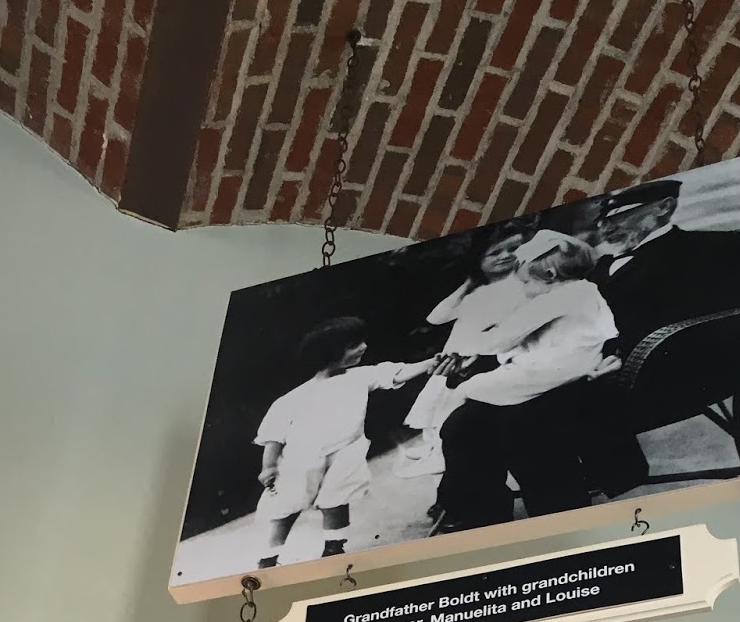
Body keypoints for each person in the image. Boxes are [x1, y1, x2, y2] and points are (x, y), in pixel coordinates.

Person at [432, 233, 617, 529]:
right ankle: (476, 507)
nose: (524, 289)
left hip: (556, 376)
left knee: (468, 394)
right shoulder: (584, 290)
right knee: (470, 420)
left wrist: (463, 348)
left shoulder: (558, 298)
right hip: (570, 369)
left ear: (549, 274)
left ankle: (471, 499)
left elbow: (506, 335)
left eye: (527, 282)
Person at [254, 317, 436, 568]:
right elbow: (273, 436)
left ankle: (334, 547)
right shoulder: (293, 398)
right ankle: (268, 558)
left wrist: (431, 363)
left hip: (346, 450)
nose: (362, 348)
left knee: (337, 497)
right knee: (286, 505)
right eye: (353, 345)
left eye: (361, 342)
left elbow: (396, 372)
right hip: (302, 458)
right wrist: (270, 466)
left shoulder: (360, 376)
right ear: (329, 354)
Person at [397, 224, 529, 478]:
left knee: (454, 410)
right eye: (495, 253)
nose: (505, 256)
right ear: (478, 261)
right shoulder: (475, 291)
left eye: (513, 248)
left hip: (478, 359)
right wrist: (468, 283)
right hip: (455, 359)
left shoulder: (520, 284)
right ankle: (434, 449)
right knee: (437, 407)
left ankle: (442, 455)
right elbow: (436, 318)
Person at [592, 178, 740, 356]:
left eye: (619, 215)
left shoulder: (707, 248)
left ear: (663, 207)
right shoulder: (602, 266)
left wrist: (618, 356)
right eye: (602, 221)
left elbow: (706, 318)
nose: (605, 230)